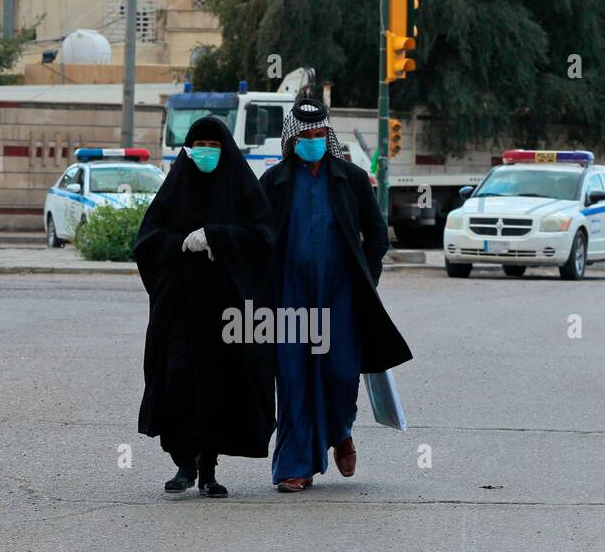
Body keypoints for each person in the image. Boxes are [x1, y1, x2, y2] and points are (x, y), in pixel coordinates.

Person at [259, 98, 412, 493]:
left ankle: (340, 431)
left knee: (341, 375)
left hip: (340, 295)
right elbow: (258, 238)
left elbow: (376, 237)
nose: (312, 140)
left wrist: (366, 279)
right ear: (292, 139)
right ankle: (296, 465)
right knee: (292, 379)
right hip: (290, 297)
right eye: (304, 135)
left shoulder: (352, 179)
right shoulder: (274, 182)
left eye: (318, 134)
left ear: (327, 136)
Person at [133, 116, 276, 497]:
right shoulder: (176, 187)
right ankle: (184, 463)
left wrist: (216, 235)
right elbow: (148, 240)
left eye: (214, 146)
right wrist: (181, 243)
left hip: (226, 308)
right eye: (201, 145)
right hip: (179, 307)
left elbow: (263, 237)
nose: (207, 153)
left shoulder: (241, 188)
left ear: (225, 149)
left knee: (219, 384)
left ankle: (209, 469)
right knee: (178, 378)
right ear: (189, 148)